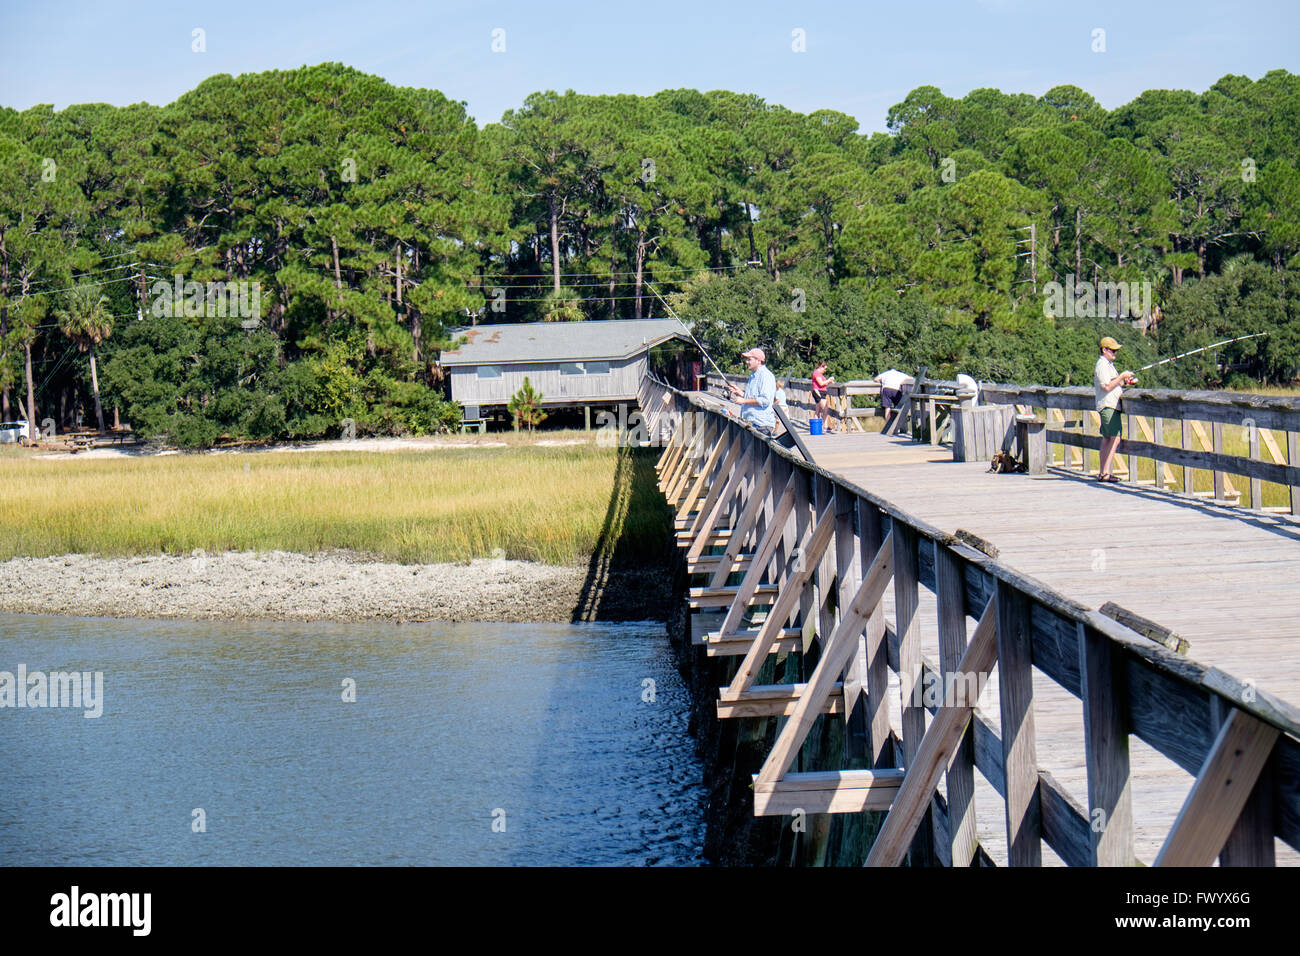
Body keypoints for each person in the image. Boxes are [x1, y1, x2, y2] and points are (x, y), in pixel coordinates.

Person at [1095, 336, 1137, 483]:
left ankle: (1103, 472)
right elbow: (1106, 386)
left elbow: (1113, 383)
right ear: (1104, 349)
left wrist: (1123, 382)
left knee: (1107, 438)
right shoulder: (1102, 365)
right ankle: (1105, 472)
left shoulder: (1108, 365)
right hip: (1108, 405)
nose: (1115, 353)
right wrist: (1121, 377)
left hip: (1110, 405)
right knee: (1115, 438)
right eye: (1112, 350)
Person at [726, 347, 776, 437]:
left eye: (749, 359)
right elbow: (754, 397)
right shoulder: (753, 376)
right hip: (751, 423)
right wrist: (740, 392)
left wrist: (743, 401)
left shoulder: (765, 376)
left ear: (758, 361)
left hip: (761, 425)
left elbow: (764, 401)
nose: (747, 362)